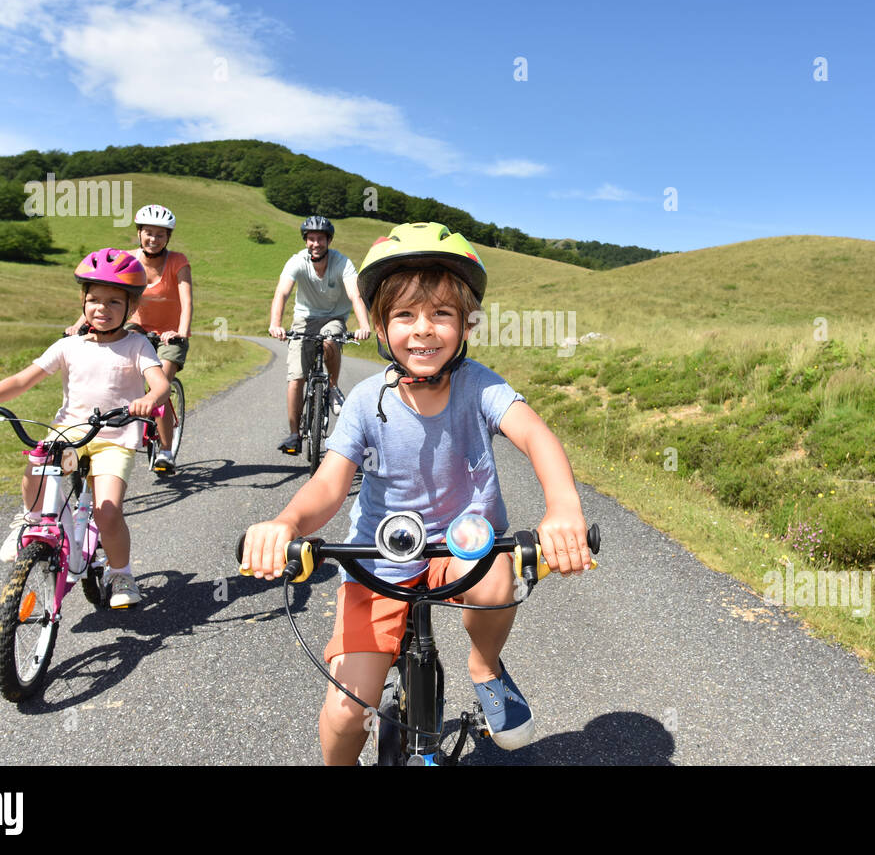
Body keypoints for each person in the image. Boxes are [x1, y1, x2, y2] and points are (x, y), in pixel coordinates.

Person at [241, 221, 592, 765]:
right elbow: (331, 483)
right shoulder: (364, 401)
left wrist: (563, 506)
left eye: (441, 314)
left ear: (465, 325)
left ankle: (485, 666)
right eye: (404, 315)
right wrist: (286, 523)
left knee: (497, 579)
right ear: (380, 325)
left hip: (463, 549)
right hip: (379, 559)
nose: (422, 330)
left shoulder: (480, 385)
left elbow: (536, 436)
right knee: (345, 714)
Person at [0, 248, 168, 608]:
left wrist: (150, 399)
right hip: (69, 430)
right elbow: (24, 380)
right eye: (94, 299)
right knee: (37, 462)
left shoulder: (137, 344)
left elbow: (158, 382)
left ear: (131, 307)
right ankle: (30, 520)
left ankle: (121, 574)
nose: (102, 308)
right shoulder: (68, 345)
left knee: (108, 510)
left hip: (114, 438)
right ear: (83, 301)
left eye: (114, 301)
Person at [66, 205, 192, 473]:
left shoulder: (178, 261)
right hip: (137, 326)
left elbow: (186, 300)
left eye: (160, 234)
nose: (154, 239)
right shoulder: (129, 261)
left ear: (168, 237)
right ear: (139, 233)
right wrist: (80, 324)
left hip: (170, 335)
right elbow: (106, 296)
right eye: (149, 233)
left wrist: (180, 331)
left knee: (161, 385)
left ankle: (166, 451)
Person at [268, 215, 371, 455]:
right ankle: (294, 435)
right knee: (296, 378)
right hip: (304, 319)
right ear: (306, 241)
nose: (316, 243)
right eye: (311, 239)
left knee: (330, 341)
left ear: (329, 241)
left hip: (335, 317)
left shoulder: (342, 263)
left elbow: (355, 296)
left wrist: (364, 325)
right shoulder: (296, 261)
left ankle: (333, 387)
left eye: (321, 239)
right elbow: (282, 293)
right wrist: (275, 324)